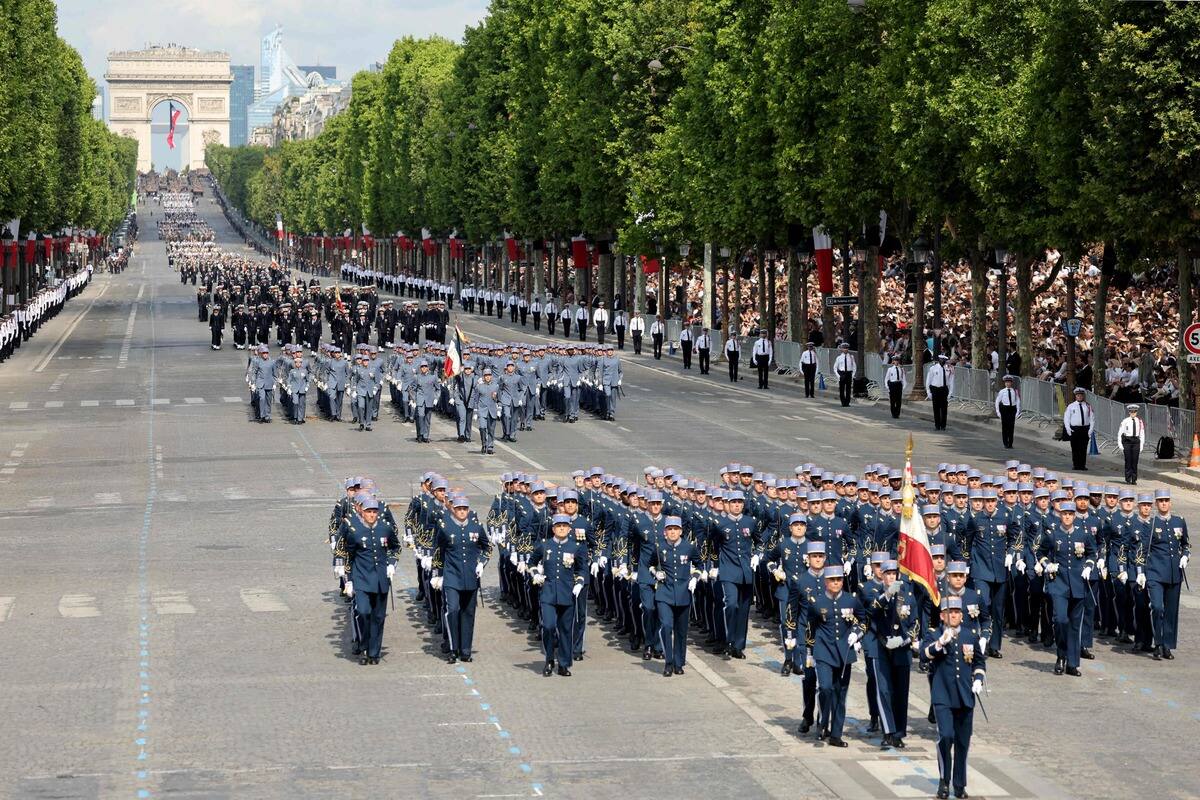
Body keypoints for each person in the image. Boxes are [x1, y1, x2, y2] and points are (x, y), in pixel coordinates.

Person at [922, 595, 986, 800]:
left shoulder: (970, 635)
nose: (954, 616)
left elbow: (979, 662)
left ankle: (959, 784)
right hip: (943, 696)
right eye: (950, 612)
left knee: (962, 742)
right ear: (943, 615)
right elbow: (925, 654)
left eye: (957, 612)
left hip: (965, 696)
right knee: (946, 736)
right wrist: (940, 643)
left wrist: (978, 680)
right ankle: (943, 781)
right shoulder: (935, 634)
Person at [804, 564, 866, 747]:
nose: (836, 583)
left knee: (840, 694)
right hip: (823, 651)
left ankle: (836, 734)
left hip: (844, 653)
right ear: (826, 582)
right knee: (825, 688)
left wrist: (857, 633)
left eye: (839, 580)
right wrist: (809, 651)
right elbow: (810, 626)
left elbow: (863, 620)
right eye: (832, 580)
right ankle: (822, 723)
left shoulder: (851, 600)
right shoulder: (816, 602)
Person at [334, 494, 399, 665]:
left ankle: (373, 652)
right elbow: (345, 553)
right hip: (361, 578)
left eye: (374, 511)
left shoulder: (385, 528)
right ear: (361, 511)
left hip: (381, 580)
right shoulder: (354, 530)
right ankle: (363, 645)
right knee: (363, 612)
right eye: (368, 511)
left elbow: (396, 548)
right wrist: (347, 578)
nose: (372, 514)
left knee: (378, 617)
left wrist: (392, 564)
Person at [864, 559, 919, 749]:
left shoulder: (908, 596)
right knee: (885, 690)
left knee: (901, 693)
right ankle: (888, 731)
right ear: (882, 575)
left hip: (901, 650)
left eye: (894, 574)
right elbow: (871, 611)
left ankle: (898, 733)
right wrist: (887, 595)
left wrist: (906, 640)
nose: (891, 577)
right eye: (887, 574)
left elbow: (915, 623)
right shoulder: (876, 594)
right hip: (881, 647)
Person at [1036, 500, 1095, 676]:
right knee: (1060, 620)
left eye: (1070, 514)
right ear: (1060, 515)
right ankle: (1061, 655)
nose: (1067, 517)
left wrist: (1089, 566)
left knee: (1075, 625)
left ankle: (1072, 663)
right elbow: (1040, 552)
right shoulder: (1053, 535)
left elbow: (1092, 552)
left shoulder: (1083, 535)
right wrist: (1047, 564)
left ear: (1074, 516)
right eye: (1064, 514)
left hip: (1078, 584)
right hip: (1058, 583)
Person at [431, 496, 491, 664]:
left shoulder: (476, 526)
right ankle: (452, 647)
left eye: (465, 509)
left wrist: (481, 563)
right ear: (454, 510)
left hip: (470, 578)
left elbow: (487, 547)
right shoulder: (444, 527)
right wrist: (437, 574)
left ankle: (465, 650)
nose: (462, 512)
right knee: (453, 610)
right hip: (452, 577)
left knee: (468, 613)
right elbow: (438, 551)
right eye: (459, 509)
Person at [528, 514, 586, 676]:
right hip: (548, 594)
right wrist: (535, 574)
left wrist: (580, 583)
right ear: (553, 528)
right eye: (558, 526)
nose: (561, 528)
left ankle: (564, 663)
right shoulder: (545, 546)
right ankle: (549, 659)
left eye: (564, 526)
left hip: (567, 593)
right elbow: (531, 562)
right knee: (548, 626)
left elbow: (581, 569)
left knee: (566, 630)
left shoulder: (575, 547)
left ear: (569, 529)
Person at [1137, 489, 1189, 660]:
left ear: (1170, 502)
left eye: (1166, 500)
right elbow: (1142, 551)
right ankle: (1158, 643)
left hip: (1174, 573)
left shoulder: (1179, 521)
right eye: (1160, 501)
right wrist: (1141, 573)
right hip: (1155, 573)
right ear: (1156, 504)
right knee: (1158, 607)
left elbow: (1185, 544)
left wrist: (1185, 557)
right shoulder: (1150, 525)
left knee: (1171, 612)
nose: (1164, 503)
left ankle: (1167, 645)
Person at [649, 516, 701, 676]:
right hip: (664, 593)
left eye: (675, 529)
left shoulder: (689, 547)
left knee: (681, 630)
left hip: (683, 593)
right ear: (665, 532)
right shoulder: (659, 547)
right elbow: (650, 564)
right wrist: (655, 573)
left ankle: (679, 663)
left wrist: (695, 578)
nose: (672, 532)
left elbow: (699, 564)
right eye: (669, 529)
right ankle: (668, 662)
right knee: (666, 626)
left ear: (680, 531)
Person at [1062, 387, 1094, 470]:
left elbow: (1092, 418)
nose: (1079, 397)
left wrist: (1090, 429)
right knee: (1075, 448)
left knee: (1083, 448)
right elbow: (1066, 418)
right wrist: (1068, 428)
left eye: (1081, 395)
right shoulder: (1071, 406)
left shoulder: (1087, 406)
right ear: (1075, 396)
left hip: (1084, 429)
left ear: (1083, 396)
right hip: (1075, 429)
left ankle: (1082, 465)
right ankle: (1076, 465)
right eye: (1078, 395)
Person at [1117, 403, 1145, 484]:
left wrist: (1141, 445)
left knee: (1135, 461)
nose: (1133, 413)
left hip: (1136, 441)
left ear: (1137, 412)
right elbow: (1120, 433)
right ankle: (1128, 478)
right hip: (1127, 441)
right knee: (1128, 460)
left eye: (1135, 412)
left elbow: (1142, 433)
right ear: (1129, 412)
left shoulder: (1139, 421)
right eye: (1131, 412)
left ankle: (1134, 479)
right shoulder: (1125, 421)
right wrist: (1120, 444)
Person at [994, 374, 1021, 448]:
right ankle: (1005, 443)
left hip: (1012, 409)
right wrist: (998, 412)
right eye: (1006, 382)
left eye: (1009, 382)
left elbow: (1018, 401)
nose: (1008, 384)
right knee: (1005, 427)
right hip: (1005, 409)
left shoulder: (1015, 391)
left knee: (1011, 427)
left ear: (1011, 383)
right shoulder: (1002, 391)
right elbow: (997, 401)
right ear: (1004, 383)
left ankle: (1010, 443)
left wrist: (1018, 411)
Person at [927, 354, 951, 430]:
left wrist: (950, 392)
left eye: (944, 360)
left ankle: (943, 425)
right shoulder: (933, 368)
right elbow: (929, 380)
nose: (943, 361)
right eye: (941, 360)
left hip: (944, 390)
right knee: (936, 408)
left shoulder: (948, 369)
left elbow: (950, 381)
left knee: (944, 409)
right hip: (935, 389)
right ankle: (937, 425)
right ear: (939, 360)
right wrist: (928, 392)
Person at [834, 342, 855, 407]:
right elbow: (835, 367)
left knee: (848, 389)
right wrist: (838, 376)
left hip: (849, 373)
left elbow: (854, 367)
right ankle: (843, 402)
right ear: (842, 349)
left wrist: (852, 375)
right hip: (842, 374)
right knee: (842, 389)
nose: (845, 349)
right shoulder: (839, 357)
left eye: (847, 348)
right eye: (844, 348)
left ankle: (847, 402)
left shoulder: (851, 357)